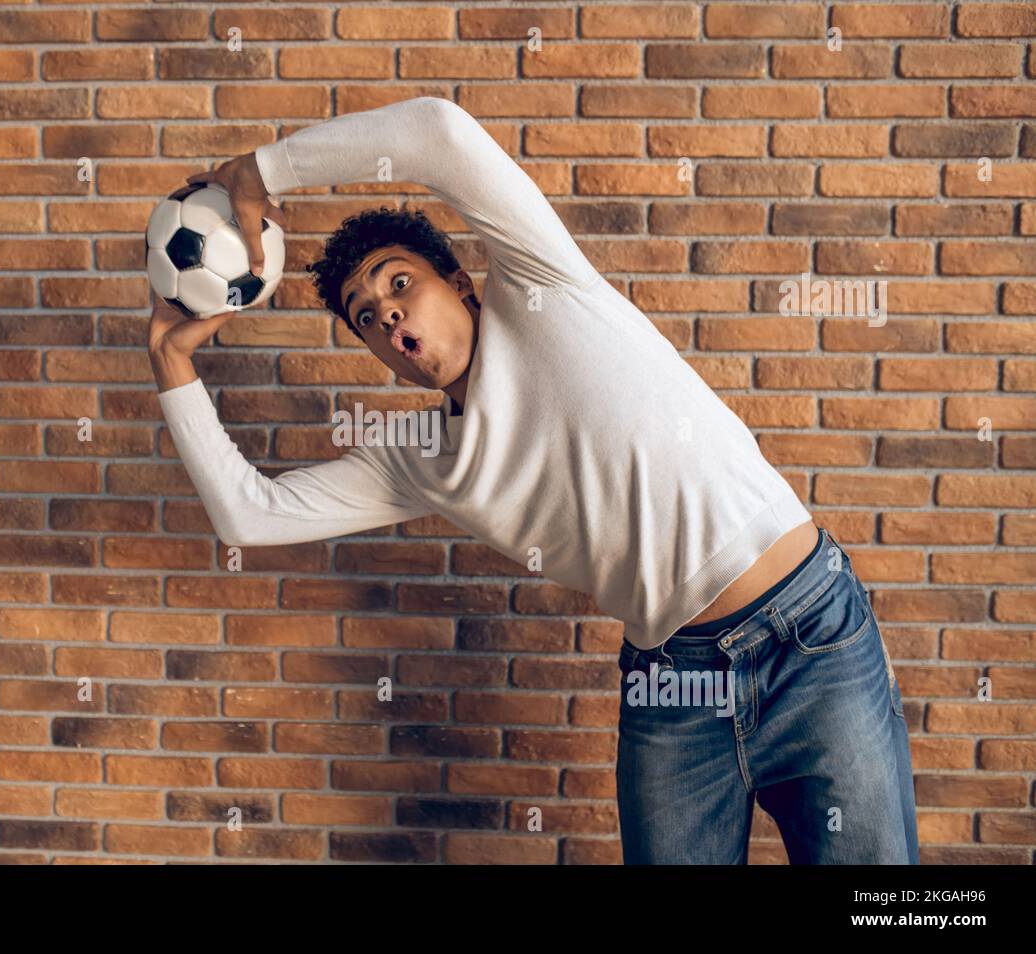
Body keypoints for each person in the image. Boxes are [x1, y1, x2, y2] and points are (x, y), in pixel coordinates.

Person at [147, 96, 918, 864]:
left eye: (400, 285)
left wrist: (263, 169)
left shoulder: (541, 290)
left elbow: (438, 133)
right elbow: (252, 515)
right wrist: (171, 362)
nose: (385, 315)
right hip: (673, 685)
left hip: (807, 637)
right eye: (365, 315)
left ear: (459, 280)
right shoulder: (420, 456)